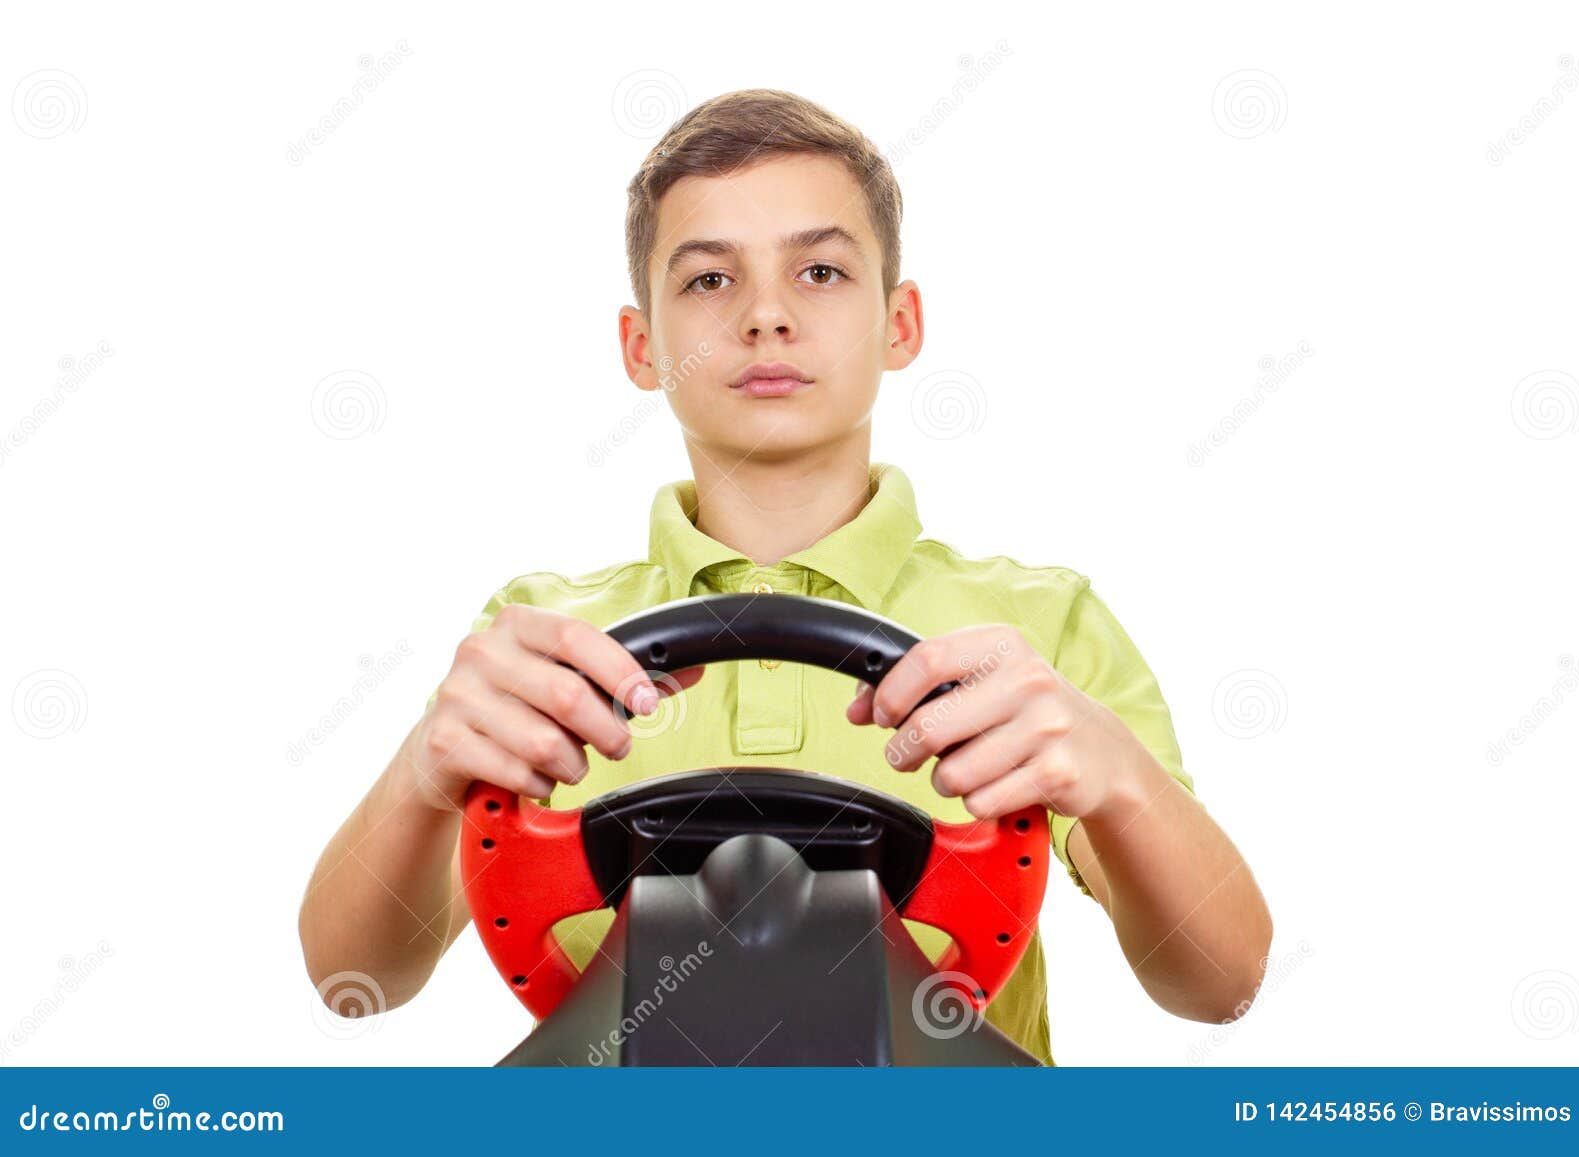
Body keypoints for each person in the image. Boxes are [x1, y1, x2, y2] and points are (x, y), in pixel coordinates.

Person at [298, 88, 1273, 1065]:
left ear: (900, 324)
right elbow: (360, 981)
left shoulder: (1037, 624)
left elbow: (1218, 984)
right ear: (643, 347)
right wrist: (428, 766)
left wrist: (1116, 777)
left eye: (818, 270)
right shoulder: (541, 634)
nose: (766, 315)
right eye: (710, 281)